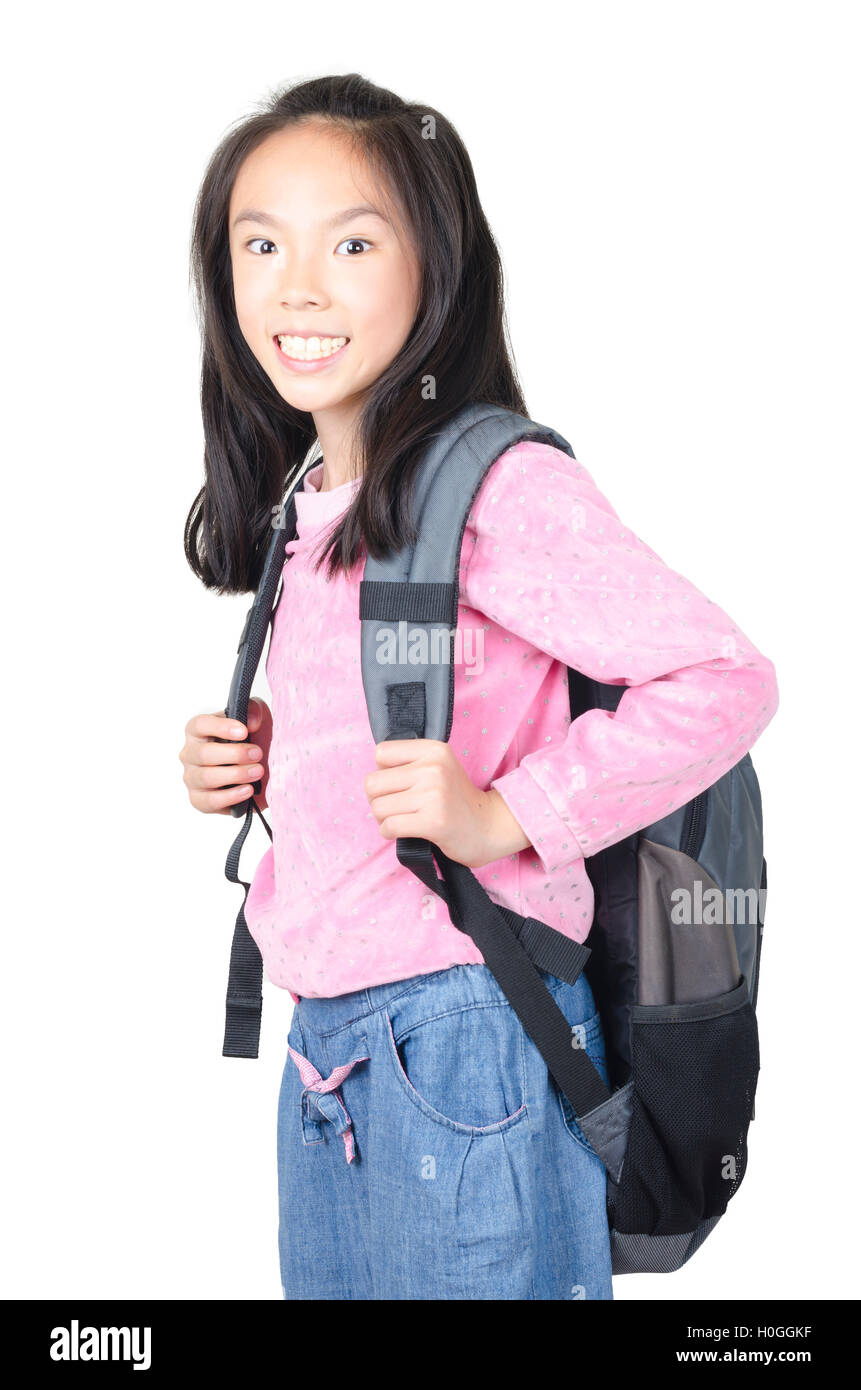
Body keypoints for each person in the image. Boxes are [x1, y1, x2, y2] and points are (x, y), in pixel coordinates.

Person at [178, 73, 779, 1300]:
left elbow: (724, 678)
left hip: (467, 1039)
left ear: (436, 264)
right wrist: (256, 750)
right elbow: (416, 699)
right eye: (261, 243)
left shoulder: (497, 486)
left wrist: (505, 818)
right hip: (330, 1049)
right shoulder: (311, 501)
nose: (298, 284)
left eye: (351, 242)